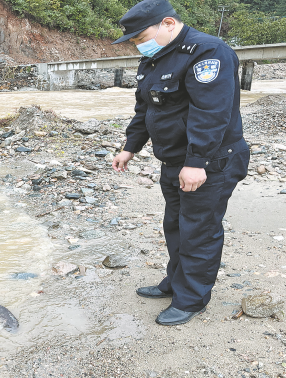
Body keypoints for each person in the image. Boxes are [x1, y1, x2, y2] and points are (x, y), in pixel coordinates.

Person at [111, 0, 250, 326]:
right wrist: (130, 147)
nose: (137, 44)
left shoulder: (207, 52)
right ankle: (175, 283)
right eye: (132, 40)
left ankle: (191, 300)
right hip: (175, 160)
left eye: (140, 36)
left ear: (169, 25)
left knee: (199, 231)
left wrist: (197, 161)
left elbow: (211, 113)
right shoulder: (154, 59)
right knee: (175, 225)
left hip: (209, 162)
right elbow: (146, 109)